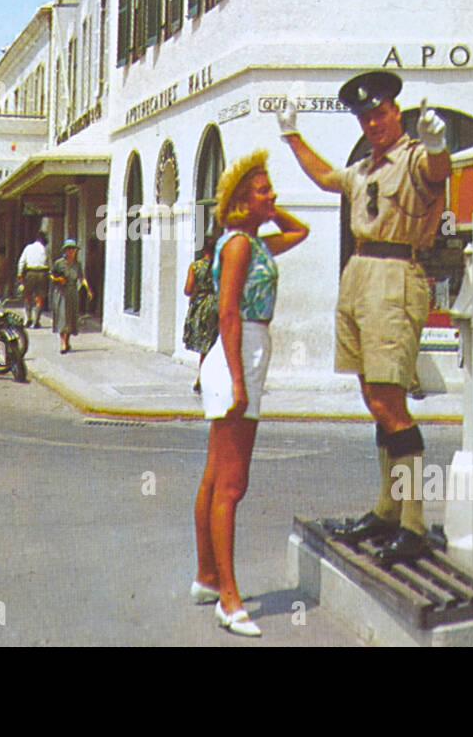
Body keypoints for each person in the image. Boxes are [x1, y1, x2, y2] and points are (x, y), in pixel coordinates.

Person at [278, 70, 450, 565]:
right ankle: (387, 508)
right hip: (359, 273)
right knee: (375, 399)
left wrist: (438, 143)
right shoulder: (364, 167)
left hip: (395, 275)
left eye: (380, 113)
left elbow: (438, 172)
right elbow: (328, 177)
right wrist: (292, 135)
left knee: (390, 402)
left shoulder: (416, 157)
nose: (373, 122)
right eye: (365, 116)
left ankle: (413, 522)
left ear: (398, 112)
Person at [192, 151, 308, 637]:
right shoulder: (238, 246)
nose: (273, 195)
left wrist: (266, 209)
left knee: (216, 475)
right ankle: (229, 598)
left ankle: (206, 576)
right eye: (264, 191)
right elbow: (228, 316)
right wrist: (239, 381)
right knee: (233, 485)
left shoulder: (254, 242)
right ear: (242, 201)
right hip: (238, 353)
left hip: (249, 352)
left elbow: (301, 231)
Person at [183, 234, 220, 393]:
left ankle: (202, 378)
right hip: (219, 303)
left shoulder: (195, 266)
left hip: (202, 305)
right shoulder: (223, 266)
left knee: (205, 344)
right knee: (216, 343)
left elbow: (188, 289)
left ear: (203, 248)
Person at [49, 239, 93, 353]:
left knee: (70, 318)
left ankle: (67, 341)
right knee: (62, 318)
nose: (71, 251)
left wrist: (88, 289)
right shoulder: (59, 263)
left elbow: (81, 278)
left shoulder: (77, 264)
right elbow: (51, 275)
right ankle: (63, 343)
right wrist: (59, 279)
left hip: (72, 292)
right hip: (61, 292)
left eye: (73, 249)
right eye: (69, 249)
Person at [17, 232, 49, 327]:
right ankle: (36, 321)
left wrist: (20, 274)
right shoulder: (46, 249)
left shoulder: (28, 248)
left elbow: (22, 261)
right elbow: (48, 261)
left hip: (30, 273)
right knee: (39, 298)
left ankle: (28, 319)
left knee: (27, 296)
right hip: (42, 273)